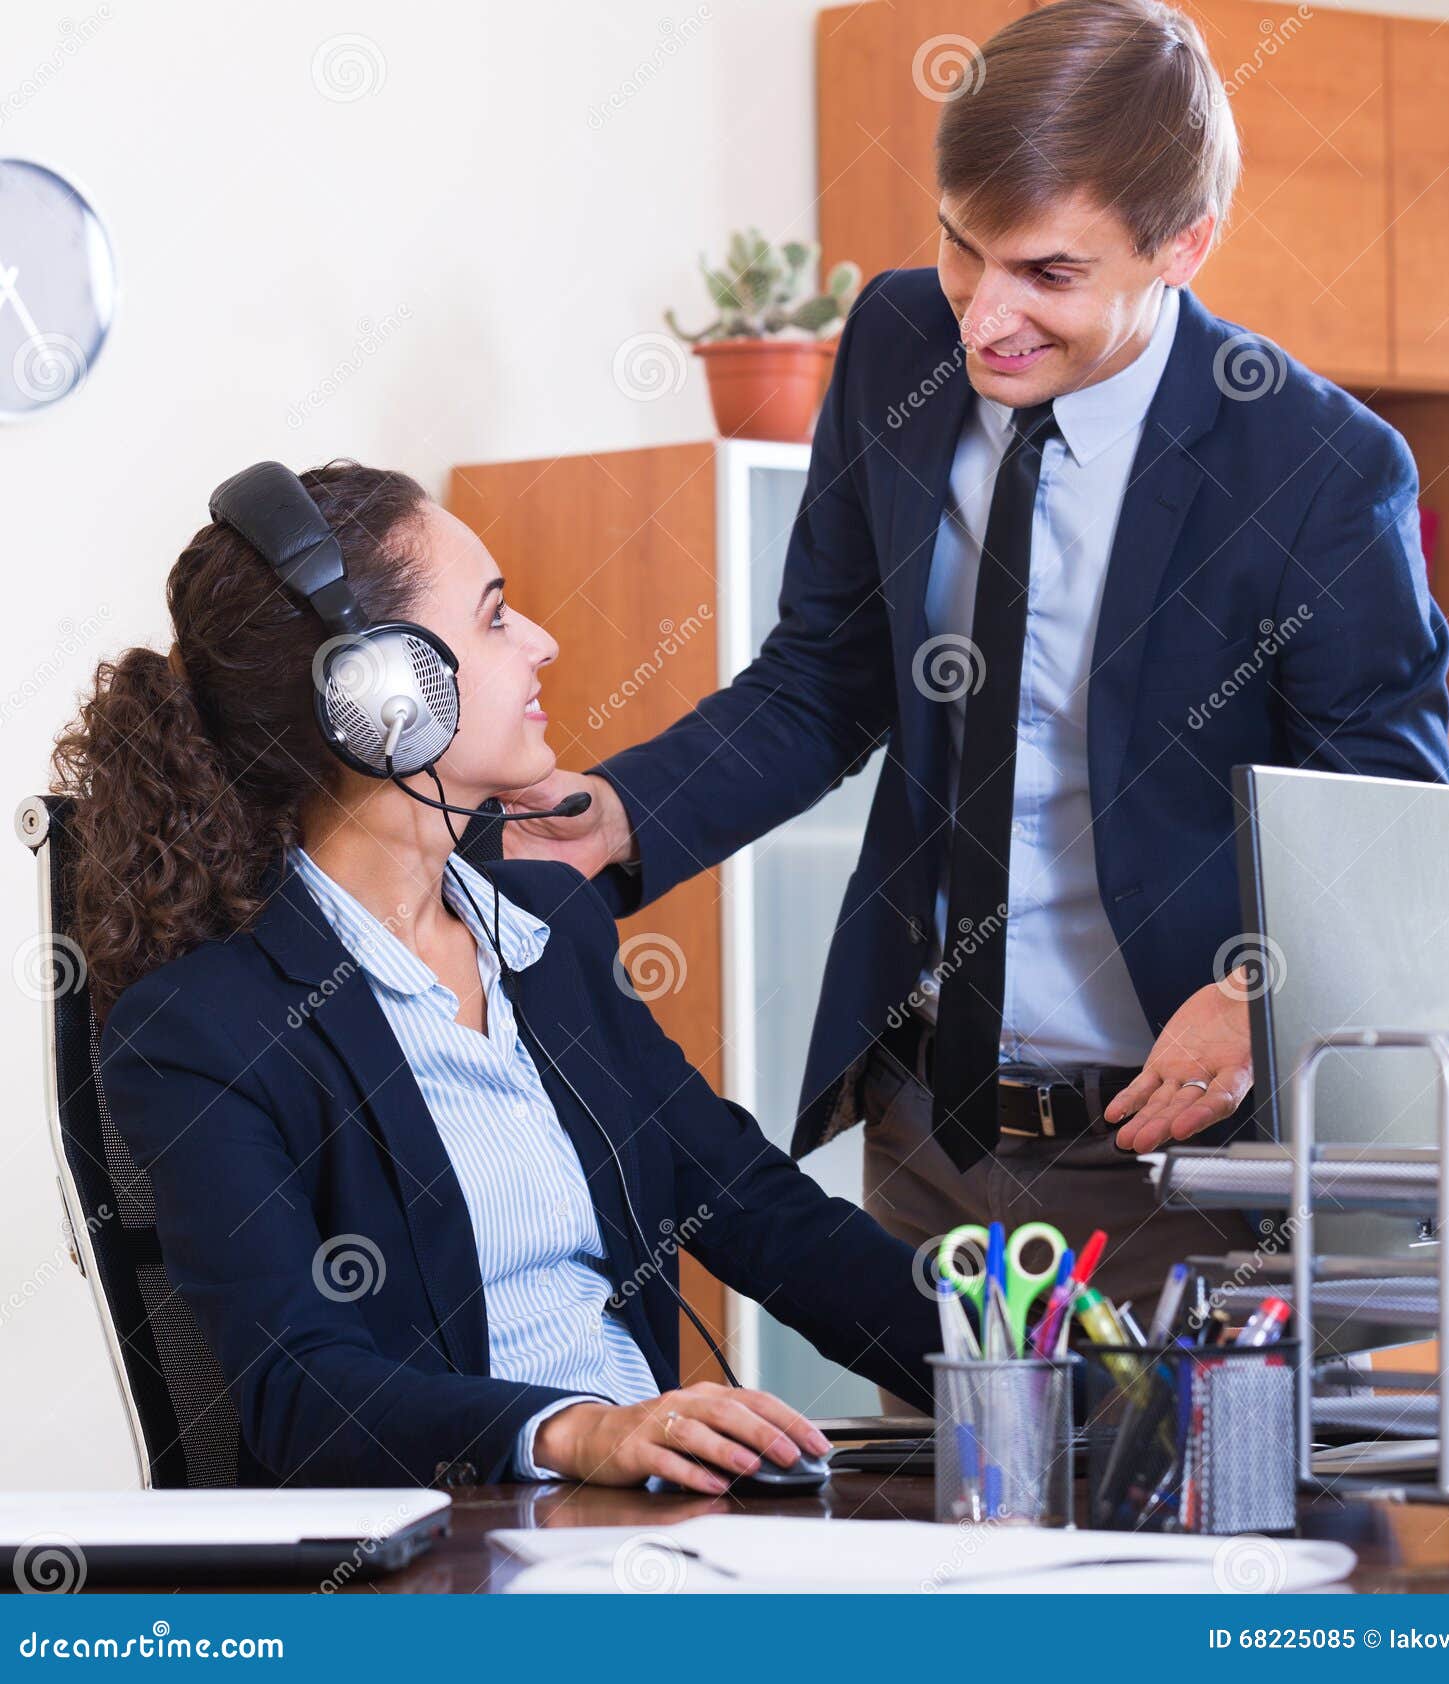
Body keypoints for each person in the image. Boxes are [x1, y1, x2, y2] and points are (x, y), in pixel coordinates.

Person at [493, 0, 1449, 1372]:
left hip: (1199, 1173)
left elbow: (1392, 807)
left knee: (1173, 1566)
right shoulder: (898, 339)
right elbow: (827, 675)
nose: (986, 317)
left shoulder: (1314, 469)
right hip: (937, 1137)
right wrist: (624, 815)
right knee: (953, 1555)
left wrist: (1260, 987)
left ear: (1183, 247)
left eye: (1048, 273)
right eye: (961, 245)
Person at [62, 459, 941, 1491]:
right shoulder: (209, 1026)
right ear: (377, 693)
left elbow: (755, 1207)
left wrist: (1045, 1372)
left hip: (648, 1530)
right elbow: (299, 1389)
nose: (542, 643)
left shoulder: (548, 934)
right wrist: (576, 1431)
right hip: (459, 1556)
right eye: (494, 618)